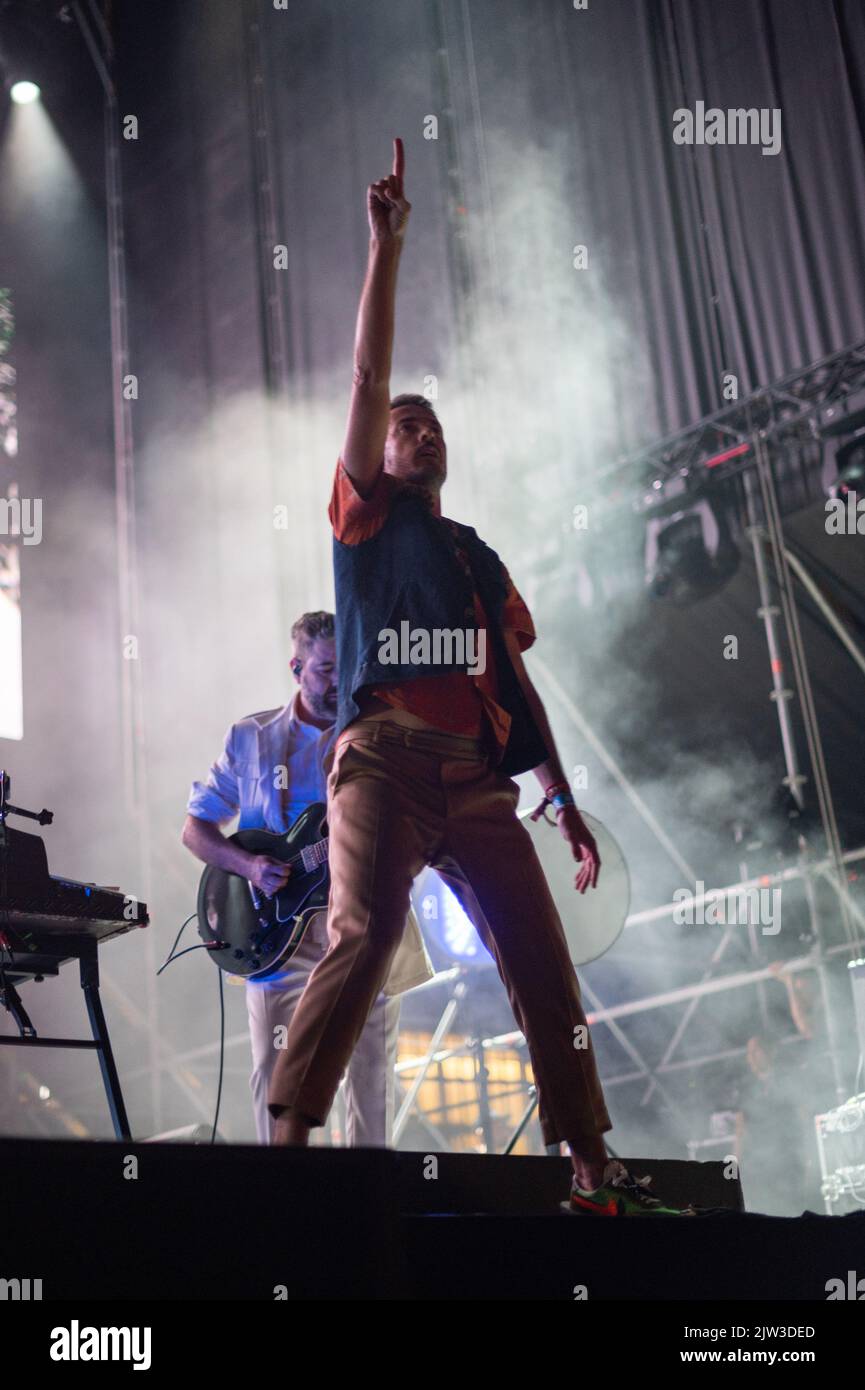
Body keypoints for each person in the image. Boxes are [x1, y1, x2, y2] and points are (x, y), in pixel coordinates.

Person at [266, 138, 692, 1216]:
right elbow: (366, 375)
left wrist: (564, 795)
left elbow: (518, 675)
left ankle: (592, 1171)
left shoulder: (475, 556)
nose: (416, 429)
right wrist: (386, 249)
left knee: (545, 967)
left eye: (429, 423)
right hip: (382, 764)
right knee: (359, 936)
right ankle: (279, 1152)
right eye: (403, 426)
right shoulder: (362, 518)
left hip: (478, 782)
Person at [181, 608, 433, 1146]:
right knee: (274, 1068)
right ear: (296, 666)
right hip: (279, 936)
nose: (338, 681)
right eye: (324, 669)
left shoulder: (380, 737)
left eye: (346, 667)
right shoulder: (251, 737)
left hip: (366, 920)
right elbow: (196, 830)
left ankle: (367, 1197)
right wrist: (249, 866)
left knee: (371, 1072)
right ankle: (281, 1198)